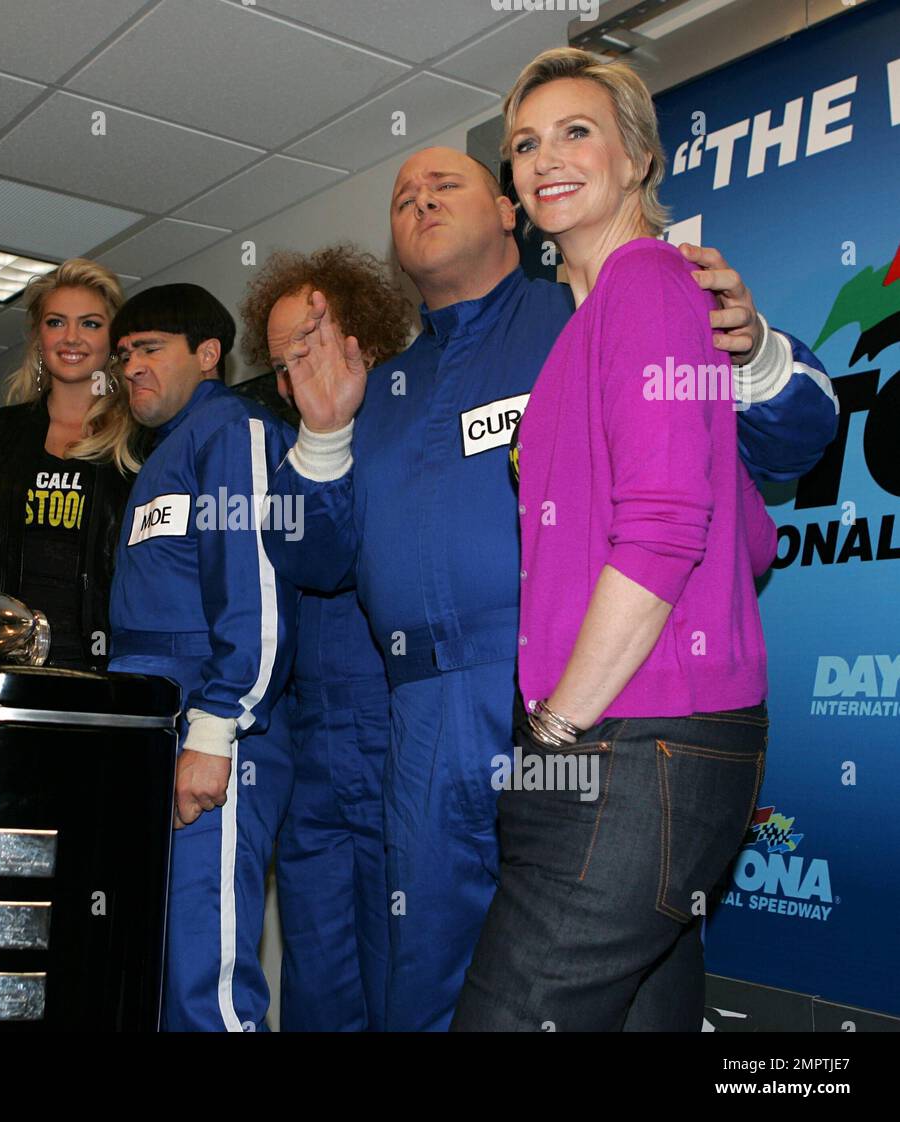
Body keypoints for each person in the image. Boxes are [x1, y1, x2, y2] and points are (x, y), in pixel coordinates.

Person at [266, 146, 838, 1030]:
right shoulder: (386, 388)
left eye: (443, 184)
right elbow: (316, 563)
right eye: (401, 197)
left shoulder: (591, 308)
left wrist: (755, 349)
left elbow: (786, 444)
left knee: (612, 968)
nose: (419, 202)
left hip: (579, 695)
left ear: (508, 212)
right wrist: (328, 434)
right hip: (421, 719)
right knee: (425, 976)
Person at [453, 47, 781, 1032]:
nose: (543, 156)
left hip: (627, 744)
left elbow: (666, 530)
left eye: (575, 131)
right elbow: (747, 534)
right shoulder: (608, 317)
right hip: (655, 743)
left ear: (637, 157)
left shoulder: (643, 286)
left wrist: (555, 729)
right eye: (523, 142)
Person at [106, 283, 297, 1032]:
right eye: (123, 356)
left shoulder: (232, 432)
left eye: (149, 349)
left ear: (208, 354)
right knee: (153, 961)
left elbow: (256, 595)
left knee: (203, 974)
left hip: (213, 732)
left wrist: (214, 732)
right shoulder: (163, 459)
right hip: (155, 725)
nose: (131, 368)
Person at [239, 245, 413, 1031]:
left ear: (362, 337)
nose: (294, 369)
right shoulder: (295, 458)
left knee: (405, 972)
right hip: (315, 749)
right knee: (313, 978)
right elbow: (304, 556)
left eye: (310, 341)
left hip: (397, 738)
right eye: (283, 360)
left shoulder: (412, 430)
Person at [0, 258, 142, 671]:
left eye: (90, 324)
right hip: (3, 663)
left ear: (113, 338)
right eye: (56, 322)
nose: (71, 337)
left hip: (100, 666)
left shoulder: (140, 440)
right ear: (38, 336)